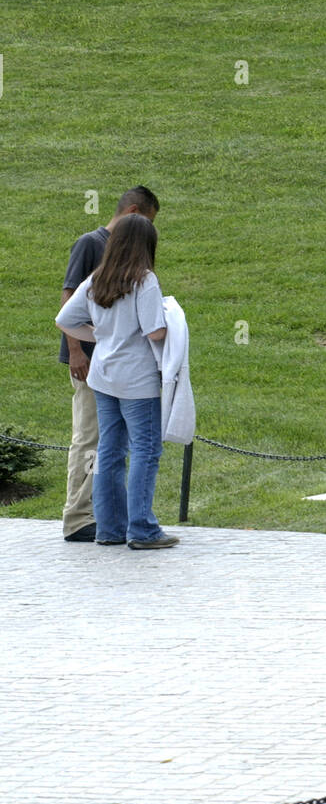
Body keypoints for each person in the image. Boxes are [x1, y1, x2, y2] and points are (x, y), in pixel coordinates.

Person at [55, 212, 178, 551]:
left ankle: (109, 527)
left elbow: (64, 319)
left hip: (103, 376)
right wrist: (175, 328)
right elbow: (154, 331)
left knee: (109, 450)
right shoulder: (145, 280)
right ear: (145, 245)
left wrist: (98, 334)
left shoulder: (97, 278)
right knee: (146, 450)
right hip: (137, 379)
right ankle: (142, 529)